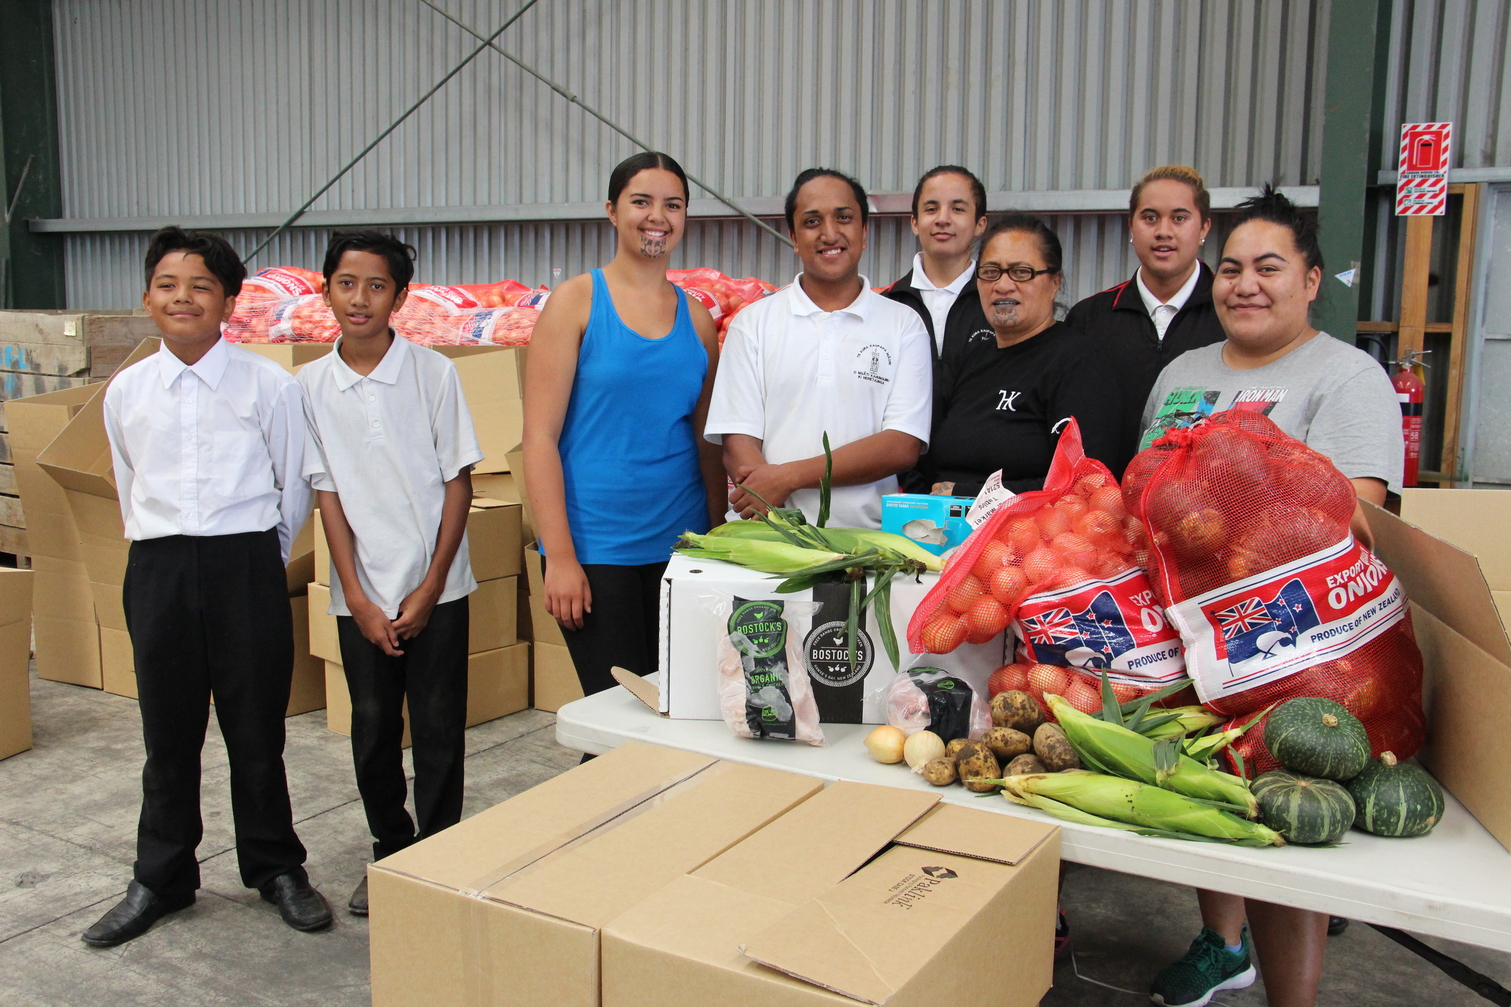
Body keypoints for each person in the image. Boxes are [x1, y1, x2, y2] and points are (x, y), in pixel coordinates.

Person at [1141, 185, 1402, 1007]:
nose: (1243, 284)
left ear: (1312, 279)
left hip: (1299, 644)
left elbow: (1356, 513)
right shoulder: (1183, 371)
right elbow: (1147, 488)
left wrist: (1225, 522)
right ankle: (1221, 944)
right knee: (1208, 792)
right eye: (1230, 269)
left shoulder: (1344, 376)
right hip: (1187, 627)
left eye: (1268, 267)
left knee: (1286, 814)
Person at [86, 227, 330, 948]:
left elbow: (294, 489)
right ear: (146, 297)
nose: (182, 297)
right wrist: (168, 551)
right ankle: (161, 877)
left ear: (228, 300)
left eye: (200, 285)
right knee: (168, 734)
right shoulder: (127, 390)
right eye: (167, 284)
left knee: (257, 729)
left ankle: (275, 866)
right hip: (158, 568)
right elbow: (130, 482)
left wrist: (257, 558)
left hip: (244, 566)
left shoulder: (270, 386)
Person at [298, 230, 482, 916]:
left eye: (376, 285)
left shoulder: (433, 374)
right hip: (363, 596)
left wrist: (431, 585)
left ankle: (437, 855)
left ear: (399, 297)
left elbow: (457, 484)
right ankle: (390, 851)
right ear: (326, 289)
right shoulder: (311, 386)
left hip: (439, 590)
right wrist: (355, 594)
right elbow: (328, 495)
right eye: (347, 283)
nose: (360, 298)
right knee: (371, 729)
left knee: (437, 728)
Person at [523, 151, 724, 701]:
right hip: (596, 549)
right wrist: (559, 556)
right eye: (642, 201)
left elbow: (708, 445)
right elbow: (538, 439)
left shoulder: (698, 320)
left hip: (681, 549)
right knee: (618, 719)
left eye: (672, 205)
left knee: (678, 710)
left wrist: (716, 535)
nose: (656, 216)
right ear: (612, 211)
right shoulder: (576, 303)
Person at [706, 167, 932, 528]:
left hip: (866, 544)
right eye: (812, 221)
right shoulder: (753, 323)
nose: (830, 233)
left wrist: (789, 477)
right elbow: (737, 441)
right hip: (769, 538)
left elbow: (901, 445)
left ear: (863, 232)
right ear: (794, 237)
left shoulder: (903, 325)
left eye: (843, 218)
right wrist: (776, 509)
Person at [917, 213, 1124, 497]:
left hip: (1031, 535)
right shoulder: (970, 358)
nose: (1002, 285)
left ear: (1054, 282)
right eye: (990, 272)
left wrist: (967, 494)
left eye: (1021, 272)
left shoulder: (1078, 362)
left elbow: (1087, 482)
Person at [1066, 165, 1225, 475]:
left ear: (1204, 228)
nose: (1163, 231)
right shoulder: (1090, 317)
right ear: (1131, 226)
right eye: (1150, 217)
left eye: (1179, 218)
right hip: (1104, 505)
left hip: (1204, 505)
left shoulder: (1230, 315)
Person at [883, 165, 993, 363]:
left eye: (958, 209)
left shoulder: (995, 300)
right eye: (931, 209)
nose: (943, 219)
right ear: (915, 223)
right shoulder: (887, 303)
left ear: (980, 224)